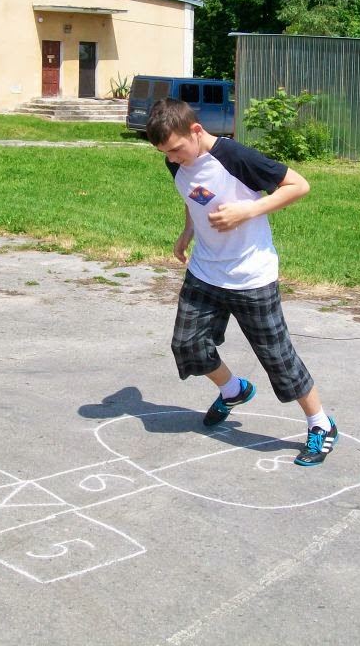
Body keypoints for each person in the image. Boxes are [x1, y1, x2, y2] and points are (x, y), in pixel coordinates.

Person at [145, 98, 338, 466]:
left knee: (277, 356)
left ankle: (321, 423)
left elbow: (299, 185)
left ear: (196, 131)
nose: (171, 158)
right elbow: (194, 195)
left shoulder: (234, 156)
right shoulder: (176, 162)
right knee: (187, 346)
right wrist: (187, 230)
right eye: (165, 153)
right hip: (205, 272)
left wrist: (248, 210)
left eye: (175, 149)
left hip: (251, 275)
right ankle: (233, 390)